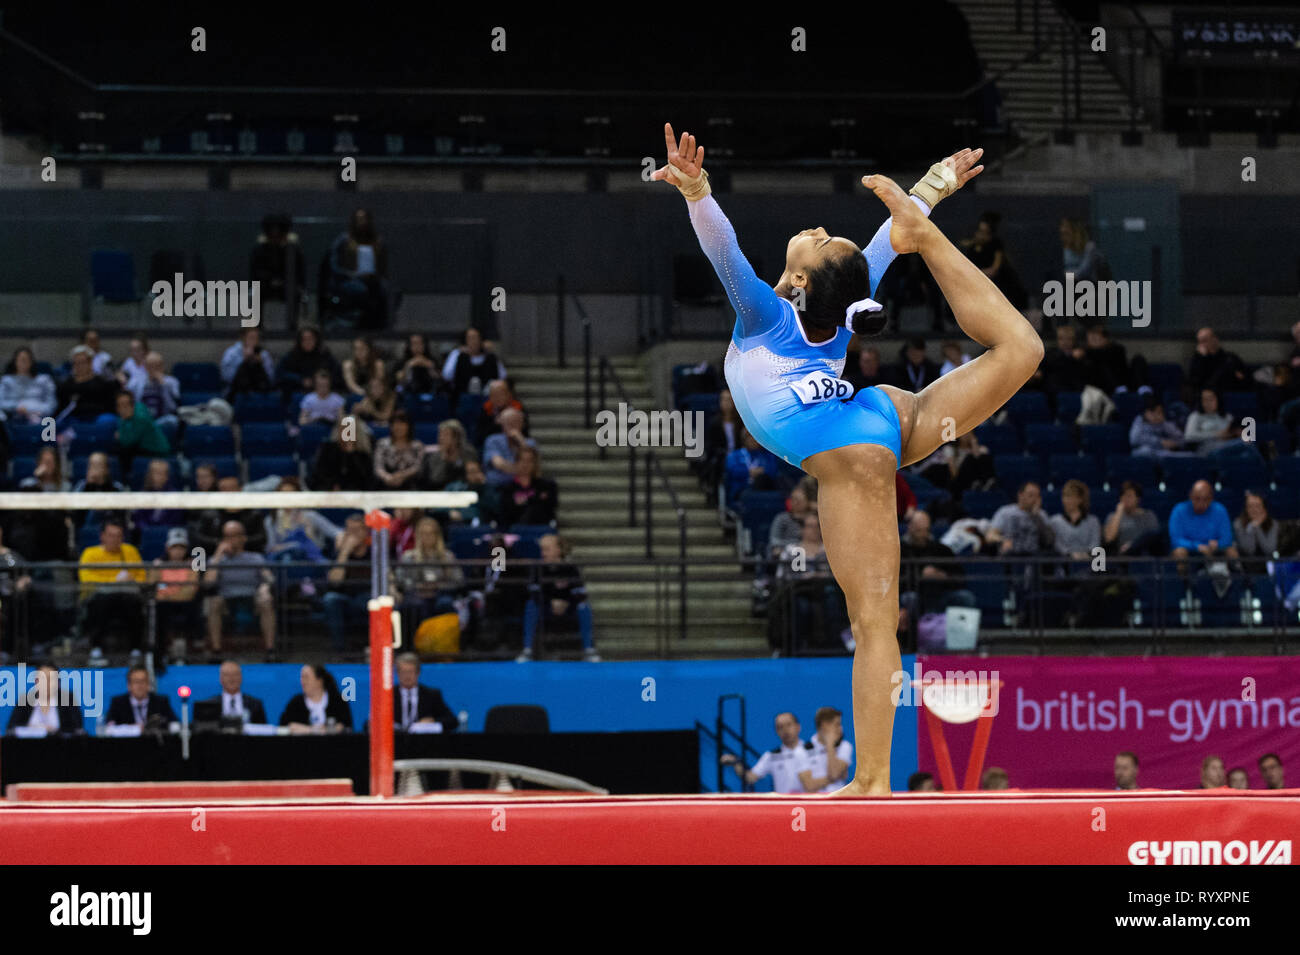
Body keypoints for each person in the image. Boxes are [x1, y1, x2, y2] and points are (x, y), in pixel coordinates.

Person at [654, 123, 1028, 794]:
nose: (822, 227)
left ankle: (875, 780)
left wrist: (697, 190)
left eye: (823, 242)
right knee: (1022, 351)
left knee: (874, 618)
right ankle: (875, 778)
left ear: (797, 279)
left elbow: (725, 249)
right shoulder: (831, 294)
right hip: (878, 418)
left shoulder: (766, 310)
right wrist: (936, 185)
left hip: (855, 451)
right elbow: (888, 234)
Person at [517, 534, 599, 662]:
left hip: (568, 607)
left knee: (584, 606)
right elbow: (533, 592)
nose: (543, 553)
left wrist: (566, 603)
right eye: (542, 550)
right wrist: (550, 603)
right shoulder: (538, 568)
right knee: (531, 605)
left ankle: (588, 649)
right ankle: (527, 650)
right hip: (545, 607)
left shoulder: (570, 568)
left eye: (547, 549)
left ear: (558, 550)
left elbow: (581, 593)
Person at [204, 520, 277, 661]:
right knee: (213, 603)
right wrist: (218, 555)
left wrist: (265, 587)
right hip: (226, 600)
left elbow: (270, 578)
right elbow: (208, 583)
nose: (230, 540)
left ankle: (270, 650)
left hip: (252, 598)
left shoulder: (255, 557)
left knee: (266, 601)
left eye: (234, 535)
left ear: (243, 538)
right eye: (227, 536)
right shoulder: (216, 560)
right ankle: (216, 651)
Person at [78, 518, 146, 667]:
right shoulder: (90, 553)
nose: (115, 539)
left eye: (118, 536)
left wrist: (131, 579)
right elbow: (86, 578)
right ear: (102, 536)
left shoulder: (130, 551)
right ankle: (96, 650)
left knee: (134, 603)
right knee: (101, 603)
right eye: (111, 535)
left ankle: (136, 650)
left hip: (125, 595)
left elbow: (141, 576)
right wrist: (114, 580)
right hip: (99, 596)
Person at [393, 517, 464, 630]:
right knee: (412, 605)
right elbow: (400, 580)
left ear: (437, 536)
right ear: (418, 536)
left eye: (431, 533)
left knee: (445, 603)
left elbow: (458, 580)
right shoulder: (409, 556)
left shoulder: (447, 557)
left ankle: (443, 642)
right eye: (424, 534)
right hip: (416, 594)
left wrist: (438, 586)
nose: (427, 537)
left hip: (441, 594)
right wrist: (418, 586)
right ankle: (413, 644)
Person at [718, 711, 811, 794]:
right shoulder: (772, 756)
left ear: (798, 727)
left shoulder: (812, 751)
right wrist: (736, 762)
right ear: (776, 731)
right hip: (784, 806)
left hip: (812, 804)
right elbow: (750, 778)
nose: (785, 730)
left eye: (789, 725)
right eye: (780, 727)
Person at [327, 209, 389, 329]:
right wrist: (351, 275)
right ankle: (361, 323)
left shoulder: (377, 241)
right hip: (348, 279)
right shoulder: (344, 240)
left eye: (365, 219)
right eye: (359, 219)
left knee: (385, 289)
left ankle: (380, 324)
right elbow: (334, 265)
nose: (362, 222)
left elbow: (383, 265)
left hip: (372, 278)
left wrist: (376, 276)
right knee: (360, 290)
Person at [323, 515, 373, 654]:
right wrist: (345, 551)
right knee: (330, 599)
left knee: (371, 601)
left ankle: (371, 648)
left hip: (367, 597)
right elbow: (335, 581)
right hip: (345, 597)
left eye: (357, 530)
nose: (352, 535)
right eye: (349, 531)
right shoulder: (339, 554)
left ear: (366, 532)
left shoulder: (374, 553)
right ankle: (339, 650)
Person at [958, 211, 1027, 310]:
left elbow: (995, 269)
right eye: (980, 232)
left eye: (985, 233)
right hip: (975, 286)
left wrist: (978, 274)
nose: (981, 236)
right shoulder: (971, 247)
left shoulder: (996, 245)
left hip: (994, 286)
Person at [151, 528, 201, 660]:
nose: (178, 551)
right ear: (167, 548)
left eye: (181, 547)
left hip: (185, 604)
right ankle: (160, 653)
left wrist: (168, 593)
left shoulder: (193, 565)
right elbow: (154, 589)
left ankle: (189, 650)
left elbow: (190, 591)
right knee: (158, 609)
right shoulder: (158, 565)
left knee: (191, 606)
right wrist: (172, 592)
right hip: (164, 605)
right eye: (174, 547)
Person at [1169, 481, 1238, 562]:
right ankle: (1182, 575)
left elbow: (1227, 538)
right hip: (1191, 550)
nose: (1201, 503)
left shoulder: (1220, 510)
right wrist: (1197, 546)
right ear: (1191, 496)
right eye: (1197, 499)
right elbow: (1176, 540)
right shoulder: (1179, 510)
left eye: (1206, 499)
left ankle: (1239, 574)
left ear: (1211, 498)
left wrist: (1218, 544)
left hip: (1215, 550)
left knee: (1232, 552)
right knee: (1179, 552)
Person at [5, 663, 83, 734]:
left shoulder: (67, 699)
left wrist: (53, 731)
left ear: (58, 682)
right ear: (36, 682)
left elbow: (77, 729)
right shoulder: (25, 700)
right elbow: (11, 728)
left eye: (50, 679)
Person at [249, 211, 306, 309]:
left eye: (278, 230)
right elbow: (255, 271)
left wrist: (284, 281)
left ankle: (292, 323)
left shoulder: (293, 250)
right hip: (265, 284)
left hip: (287, 284)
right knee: (257, 293)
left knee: (294, 293)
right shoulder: (260, 249)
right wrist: (270, 280)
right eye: (272, 230)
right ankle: (258, 322)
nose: (275, 234)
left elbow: (299, 272)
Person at [392, 652, 459, 732]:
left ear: (418, 673)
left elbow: (453, 721)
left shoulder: (431, 695)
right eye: (403, 672)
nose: (407, 676)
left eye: (410, 672)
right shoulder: (389, 696)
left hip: (424, 741)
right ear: (397, 674)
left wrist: (433, 720)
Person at [986, 482, 1055, 556]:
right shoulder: (1005, 512)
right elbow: (990, 536)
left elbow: (1049, 541)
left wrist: (1036, 517)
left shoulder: (1042, 515)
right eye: (1031, 495)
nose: (1035, 499)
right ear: (1020, 495)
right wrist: (1002, 540)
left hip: (1034, 558)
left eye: (1037, 496)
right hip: (1010, 557)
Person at [279, 664, 352, 733]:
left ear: (319, 681)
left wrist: (307, 730)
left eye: (306, 677)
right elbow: (285, 726)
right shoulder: (295, 702)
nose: (302, 681)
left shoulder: (338, 701)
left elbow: (345, 726)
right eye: (301, 677)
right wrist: (318, 730)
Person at [276, 326, 342, 401]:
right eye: (304, 340)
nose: (308, 342)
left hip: (322, 391)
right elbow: (280, 373)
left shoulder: (324, 354)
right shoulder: (293, 355)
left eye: (310, 339)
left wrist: (322, 380)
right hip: (298, 390)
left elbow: (336, 372)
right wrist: (300, 380)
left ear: (316, 340)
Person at [798, 706, 853, 793]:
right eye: (837, 724)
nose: (840, 728)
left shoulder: (845, 746)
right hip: (815, 802)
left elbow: (834, 773)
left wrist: (830, 744)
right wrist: (838, 776)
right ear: (824, 725)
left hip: (838, 801)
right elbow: (809, 786)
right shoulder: (802, 750)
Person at [442, 326, 505, 404]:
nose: (474, 341)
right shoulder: (458, 354)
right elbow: (446, 375)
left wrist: (490, 351)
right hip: (463, 396)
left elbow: (502, 376)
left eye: (476, 338)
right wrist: (459, 352)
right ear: (465, 340)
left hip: (487, 396)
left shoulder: (489, 355)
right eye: (470, 338)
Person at [498, 446, 558, 526]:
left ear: (535, 464)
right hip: (515, 530)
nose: (525, 464)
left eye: (529, 461)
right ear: (516, 462)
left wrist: (523, 502)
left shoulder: (546, 486)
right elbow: (506, 511)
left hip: (540, 529)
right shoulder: (507, 488)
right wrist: (536, 498)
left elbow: (550, 507)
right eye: (522, 460)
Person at [56, 345, 118, 423]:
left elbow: (109, 406)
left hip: (97, 418)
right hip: (74, 419)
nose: (79, 366)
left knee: (108, 420)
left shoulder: (103, 383)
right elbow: (63, 408)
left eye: (82, 362)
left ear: (90, 363)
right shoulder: (66, 385)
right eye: (75, 363)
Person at [310, 418, 374, 491]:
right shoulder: (328, 449)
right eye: (344, 429)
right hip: (330, 489)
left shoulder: (363, 454)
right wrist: (332, 484)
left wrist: (351, 453)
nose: (347, 433)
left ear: (356, 432)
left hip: (356, 491)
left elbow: (366, 479)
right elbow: (320, 473)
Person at [1102, 481, 1161, 557]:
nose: (1125, 499)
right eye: (1123, 495)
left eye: (1129, 496)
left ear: (1138, 499)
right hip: (1121, 558)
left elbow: (1154, 538)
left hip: (1144, 558)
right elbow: (1109, 539)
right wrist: (1119, 513)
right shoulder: (1113, 516)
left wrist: (1132, 545)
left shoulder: (1149, 515)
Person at [105, 664, 176, 727]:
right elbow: (109, 728)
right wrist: (135, 729)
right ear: (129, 685)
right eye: (136, 682)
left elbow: (175, 725)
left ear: (148, 684)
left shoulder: (161, 702)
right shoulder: (118, 703)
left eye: (143, 681)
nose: (140, 685)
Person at [201, 660, 268, 724]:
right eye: (227, 675)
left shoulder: (255, 704)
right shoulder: (209, 705)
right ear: (220, 679)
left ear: (241, 677)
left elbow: (263, 731)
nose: (231, 678)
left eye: (235, 674)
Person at [114, 389, 171, 465]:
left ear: (132, 404)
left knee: (123, 452)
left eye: (126, 405)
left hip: (158, 452)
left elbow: (127, 442)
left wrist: (121, 434)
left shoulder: (141, 418)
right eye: (119, 406)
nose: (122, 409)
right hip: (143, 447)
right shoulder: (137, 409)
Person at [0, 347, 57, 422]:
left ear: (31, 362)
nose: (23, 363)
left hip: (39, 416)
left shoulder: (44, 380)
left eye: (26, 360)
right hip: (12, 417)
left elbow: (52, 404)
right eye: (21, 360)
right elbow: (1, 402)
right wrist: (16, 407)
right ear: (15, 362)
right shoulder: (7, 380)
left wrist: (32, 410)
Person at [483, 407, 535, 486]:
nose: (512, 426)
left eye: (515, 422)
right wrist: (522, 470)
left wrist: (521, 441)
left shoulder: (530, 443)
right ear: (502, 424)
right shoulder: (493, 440)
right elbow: (499, 464)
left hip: (522, 486)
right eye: (508, 423)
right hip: (498, 486)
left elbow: (534, 467)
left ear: (522, 424)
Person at [419, 419, 478, 490]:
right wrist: (444, 459)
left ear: (456, 437)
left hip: (465, 490)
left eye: (446, 435)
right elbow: (436, 479)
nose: (441, 438)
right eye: (440, 434)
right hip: (440, 492)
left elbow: (472, 476)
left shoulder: (468, 452)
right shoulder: (435, 455)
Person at [373, 410, 424, 490]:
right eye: (395, 423)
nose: (398, 427)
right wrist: (387, 477)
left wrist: (402, 475)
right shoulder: (382, 444)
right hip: (386, 483)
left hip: (410, 483)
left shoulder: (417, 446)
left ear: (409, 426)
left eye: (402, 423)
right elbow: (378, 467)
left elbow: (418, 467)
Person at [1189, 327, 1249, 395]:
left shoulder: (1230, 358)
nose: (1202, 345)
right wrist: (1202, 358)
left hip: (1227, 395)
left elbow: (1244, 379)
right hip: (1205, 397)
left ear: (1214, 339)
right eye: (1200, 342)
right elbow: (1195, 382)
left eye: (1204, 340)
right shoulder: (1197, 360)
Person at [221, 326, 276, 399]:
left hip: (260, 390)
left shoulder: (263, 354)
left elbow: (271, 378)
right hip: (236, 390)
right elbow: (226, 377)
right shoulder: (231, 353)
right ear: (243, 338)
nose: (255, 341)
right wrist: (244, 360)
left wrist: (261, 363)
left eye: (257, 338)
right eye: (252, 338)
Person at [1184, 389, 1243, 455]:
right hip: (1206, 448)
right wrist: (1216, 434)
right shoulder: (1196, 416)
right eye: (1204, 400)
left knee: (1247, 444)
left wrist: (1236, 433)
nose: (1207, 403)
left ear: (1218, 400)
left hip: (1228, 445)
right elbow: (1189, 436)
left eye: (1211, 399)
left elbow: (1230, 433)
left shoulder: (1227, 416)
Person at [1233, 491, 1277, 573]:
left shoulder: (1273, 524)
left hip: (1268, 567)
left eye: (1257, 506)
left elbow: (1269, 549)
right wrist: (1252, 527)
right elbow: (1249, 550)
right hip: (1245, 567)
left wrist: (1258, 528)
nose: (1254, 510)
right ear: (1246, 508)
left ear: (1264, 508)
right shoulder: (1238, 524)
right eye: (1250, 506)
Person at [1059, 216, 1101, 282]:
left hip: (1088, 287)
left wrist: (1066, 275)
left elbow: (1082, 273)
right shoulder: (1065, 249)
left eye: (1066, 233)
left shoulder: (1090, 247)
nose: (1062, 229)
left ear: (1075, 230)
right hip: (1068, 287)